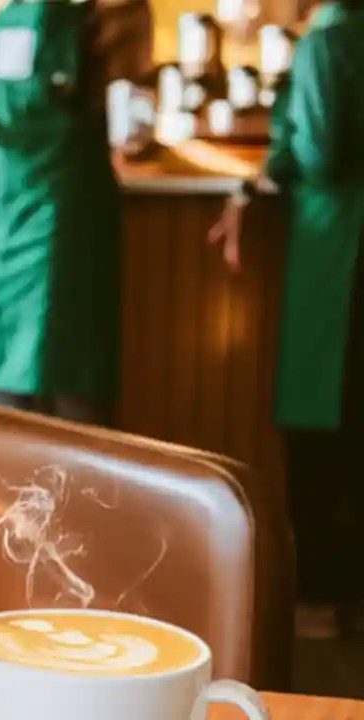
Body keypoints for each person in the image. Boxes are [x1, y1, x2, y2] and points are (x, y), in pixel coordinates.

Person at [209, 0, 364, 638]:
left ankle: (322, 602)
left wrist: (259, 178)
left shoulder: (329, 39)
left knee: (322, 425)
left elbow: (320, 151)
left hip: (338, 247)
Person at [0, 0, 153, 426]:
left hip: (63, 204)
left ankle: (84, 493)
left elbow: (134, 109)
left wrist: (135, 124)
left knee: (74, 382)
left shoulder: (115, 10)